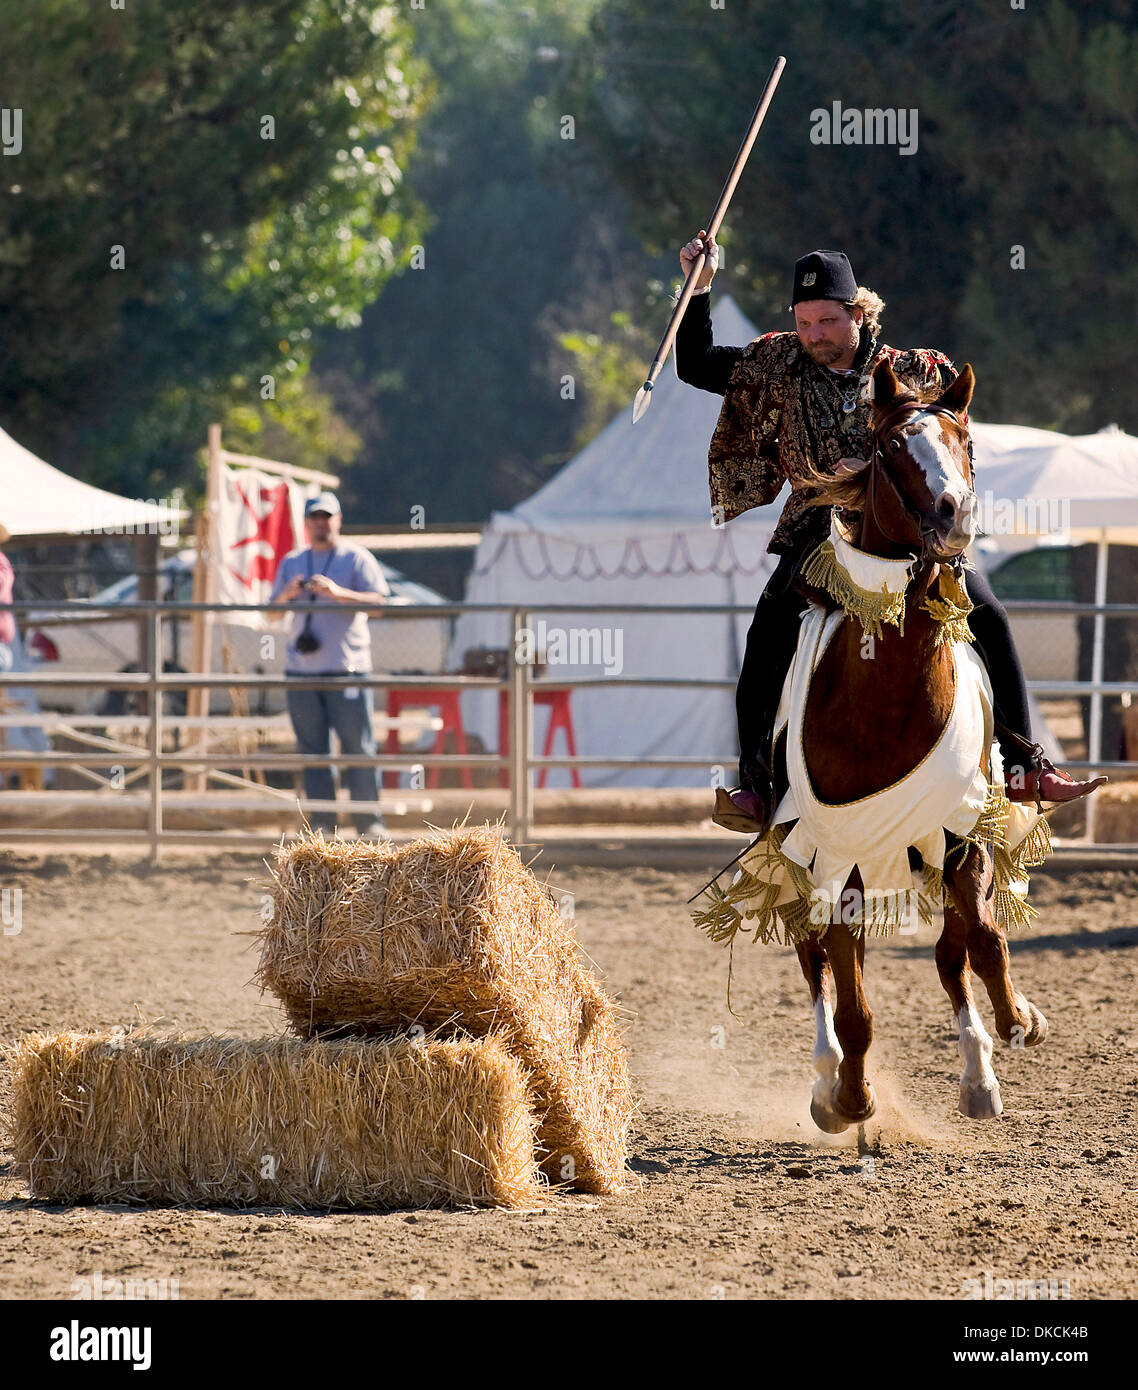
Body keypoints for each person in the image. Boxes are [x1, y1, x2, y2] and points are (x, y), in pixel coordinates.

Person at [675, 235, 1105, 832]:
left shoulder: (912, 370)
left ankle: (1023, 764)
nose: (814, 334)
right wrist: (698, 287)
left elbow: (956, 425)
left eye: (827, 320)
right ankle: (756, 783)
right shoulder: (776, 363)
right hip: (817, 530)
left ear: (858, 313)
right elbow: (695, 365)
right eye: (804, 322)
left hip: (912, 533)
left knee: (990, 614)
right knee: (768, 630)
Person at [269, 493, 390, 837]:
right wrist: (288, 595)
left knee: (358, 748)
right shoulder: (292, 562)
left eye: (327, 517)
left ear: (338, 520)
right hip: (301, 672)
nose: (321, 523)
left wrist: (338, 593)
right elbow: (272, 613)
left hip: (347, 669)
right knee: (314, 753)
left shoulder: (357, 558)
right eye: (315, 518)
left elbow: (380, 604)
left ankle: (369, 823)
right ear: (306, 523)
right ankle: (324, 826)